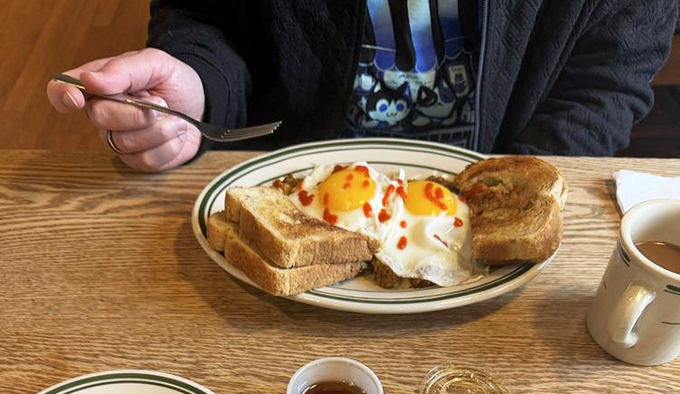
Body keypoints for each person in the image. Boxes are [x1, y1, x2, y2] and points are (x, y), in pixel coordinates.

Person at [46, 0, 678, 173]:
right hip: (279, 191)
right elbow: (209, 17)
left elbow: (607, 79)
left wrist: (520, 192)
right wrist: (197, 87)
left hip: (495, 224)